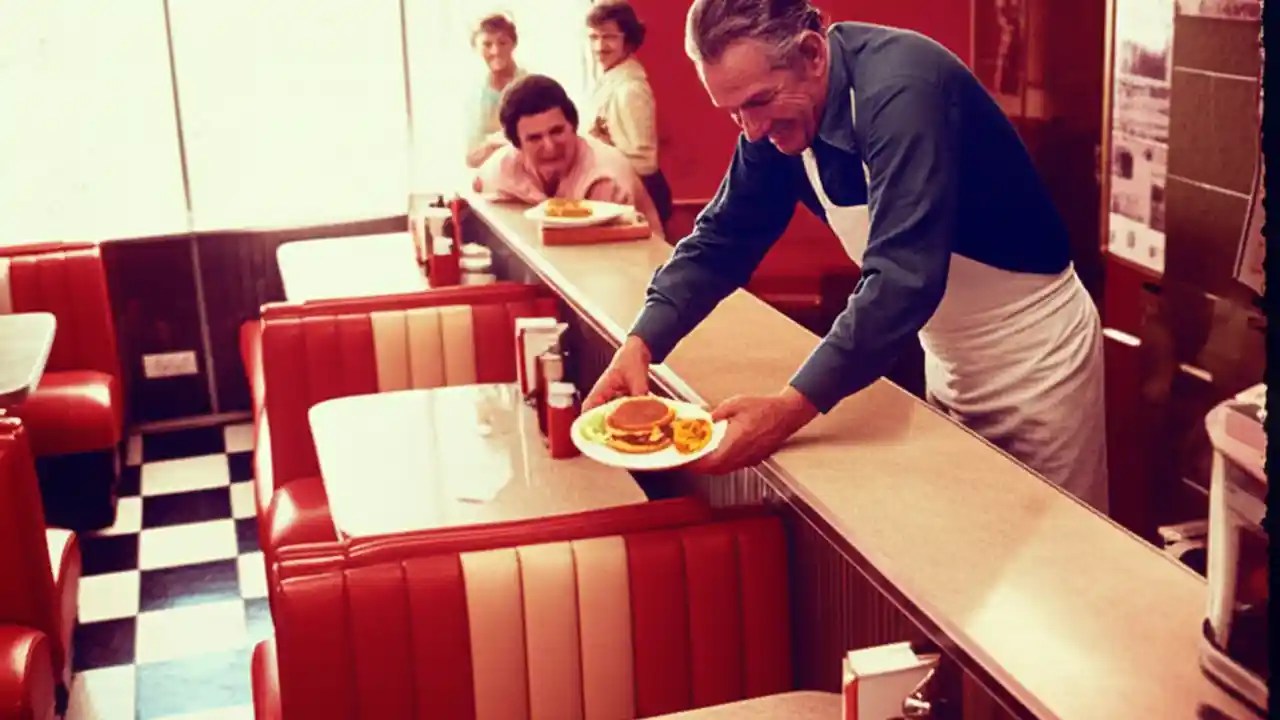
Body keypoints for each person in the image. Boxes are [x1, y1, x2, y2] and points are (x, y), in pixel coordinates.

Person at [583, 0, 1109, 513]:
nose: (752, 131)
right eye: (734, 111)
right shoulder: (774, 115)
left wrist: (787, 410)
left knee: (1057, 563)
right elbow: (722, 239)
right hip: (947, 359)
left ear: (813, 54)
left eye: (760, 102)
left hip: (1036, 361)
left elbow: (903, 279)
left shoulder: (902, 89)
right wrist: (640, 343)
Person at [473, 74, 665, 237]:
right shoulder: (501, 169)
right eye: (534, 138)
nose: (549, 147)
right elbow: (476, 190)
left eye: (557, 131)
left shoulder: (608, 179)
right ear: (517, 145)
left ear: (573, 125)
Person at [585, 1, 673, 228]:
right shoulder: (610, 78)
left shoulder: (630, 89)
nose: (599, 46)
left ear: (629, 40)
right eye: (593, 37)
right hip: (622, 189)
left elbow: (644, 161)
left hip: (640, 193)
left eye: (609, 37)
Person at [465, 13, 527, 169]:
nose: (495, 51)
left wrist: (490, 145)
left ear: (513, 44)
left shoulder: (530, 85)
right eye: (487, 44)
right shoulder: (473, 95)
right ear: (475, 47)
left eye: (502, 42)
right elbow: (471, 157)